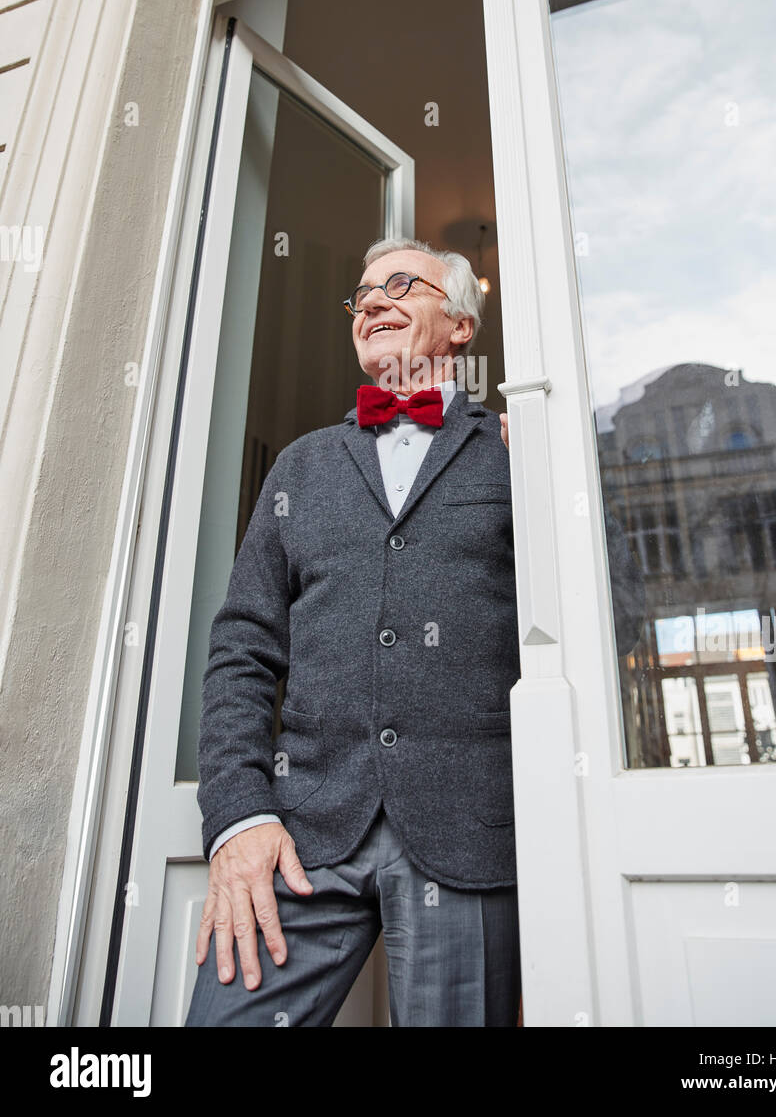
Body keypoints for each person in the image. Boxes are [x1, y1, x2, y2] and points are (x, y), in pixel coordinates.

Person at [185, 237, 643, 1028]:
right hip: (298, 839)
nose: (373, 302)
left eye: (401, 284)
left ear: (461, 322)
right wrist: (238, 815)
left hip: (469, 838)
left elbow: (611, 604)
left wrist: (547, 474)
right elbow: (241, 653)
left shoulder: (518, 456)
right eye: (361, 295)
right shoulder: (300, 468)